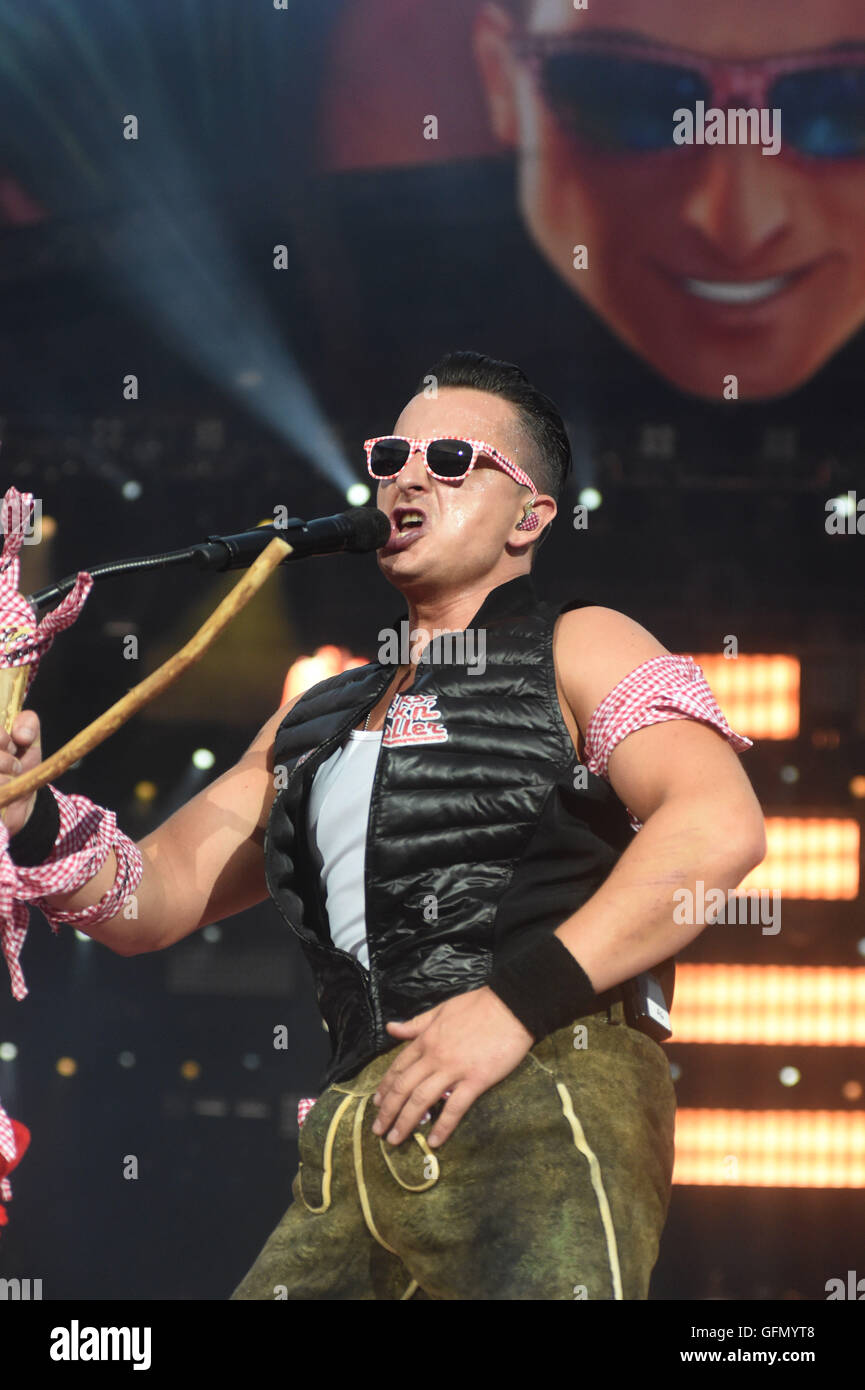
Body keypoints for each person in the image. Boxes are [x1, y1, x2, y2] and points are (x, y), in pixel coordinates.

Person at [0, 350, 765, 1299]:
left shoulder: (581, 641)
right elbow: (149, 901)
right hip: (360, 1118)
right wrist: (29, 815)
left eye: (450, 458)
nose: (406, 474)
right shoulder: (313, 713)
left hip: (539, 1080)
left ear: (529, 517)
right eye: (393, 452)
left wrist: (510, 1006)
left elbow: (717, 826)